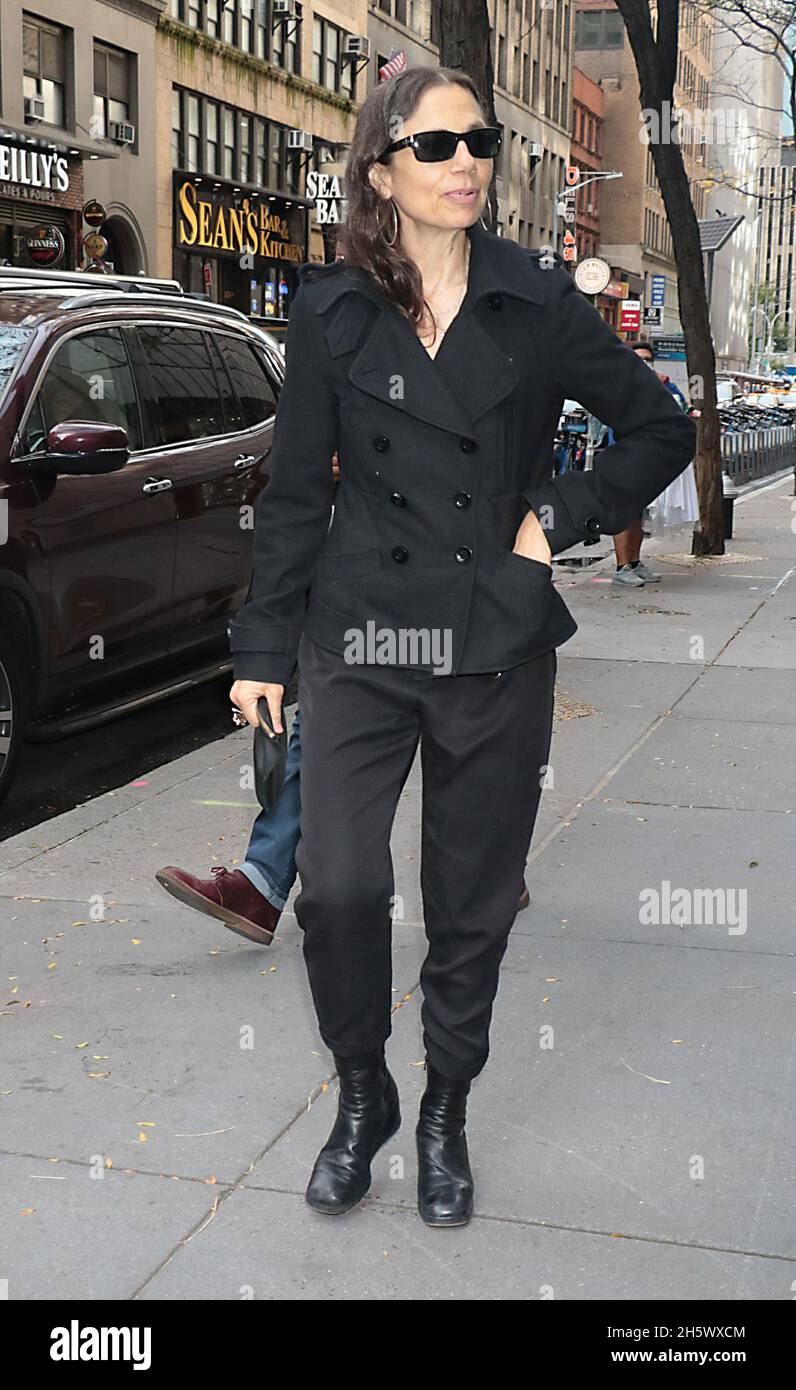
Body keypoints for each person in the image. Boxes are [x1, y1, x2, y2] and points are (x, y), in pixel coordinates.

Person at [225, 66, 696, 1226]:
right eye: (436, 146)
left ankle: (443, 1109)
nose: (467, 162)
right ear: (381, 168)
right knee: (334, 889)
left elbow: (659, 425)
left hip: (490, 636)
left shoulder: (535, 299)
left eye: (477, 141)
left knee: (469, 899)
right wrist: (261, 650)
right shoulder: (333, 311)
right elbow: (292, 496)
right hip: (361, 634)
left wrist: (557, 521)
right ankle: (361, 1094)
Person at [155, 450, 530, 944]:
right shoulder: (337, 373)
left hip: (468, 579)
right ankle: (263, 883)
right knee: (319, 732)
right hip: (364, 583)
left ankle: (491, 870)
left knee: (474, 746)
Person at [609, 338, 694, 586]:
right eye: (639, 359)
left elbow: (681, 407)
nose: (644, 364)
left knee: (639, 515)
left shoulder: (665, 384)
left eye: (648, 359)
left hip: (652, 456)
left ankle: (634, 561)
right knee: (624, 512)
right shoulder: (619, 384)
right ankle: (621, 565)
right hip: (625, 454)